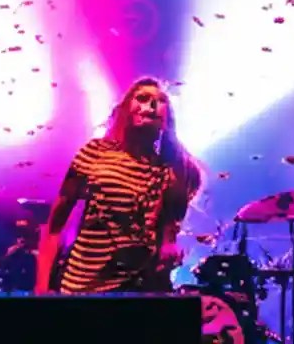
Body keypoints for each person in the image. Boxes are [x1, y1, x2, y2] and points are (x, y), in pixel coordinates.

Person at [34, 77, 203, 293]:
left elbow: (168, 235)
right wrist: (41, 288)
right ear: (125, 110)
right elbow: (54, 225)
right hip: (82, 285)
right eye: (142, 98)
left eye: (160, 101)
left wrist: (168, 248)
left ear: (166, 118)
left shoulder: (174, 170)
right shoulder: (95, 153)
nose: (151, 105)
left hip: (138, 287)